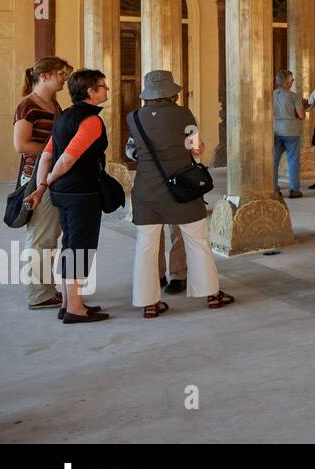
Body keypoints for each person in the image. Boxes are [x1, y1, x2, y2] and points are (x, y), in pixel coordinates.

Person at [126, 70, 233, 317]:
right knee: (197, 242)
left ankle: (149, 303)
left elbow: (131, 152)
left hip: (145, 191)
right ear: (171, 93)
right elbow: (194, 149)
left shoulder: (134, 117)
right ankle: (212, 294)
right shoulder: (183, 113)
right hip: (180, 188)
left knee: (146, 247)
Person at [25, 69, 111, 323]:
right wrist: (50, 179)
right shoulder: (91, 120)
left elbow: (48, 155)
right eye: (103, 86)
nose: (107, 90)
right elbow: (67, 158)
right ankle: (75, 308)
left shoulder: (63, 117)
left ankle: (68, 303)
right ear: (90, 92)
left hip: (62, 193)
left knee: (71, 245)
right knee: (80, 248)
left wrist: (43, 186)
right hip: (81, 193)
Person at [12, 56, 71, 310]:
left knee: (50, 234)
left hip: (50, 175)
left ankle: (46, 289)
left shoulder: (53, 105)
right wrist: (55, 150)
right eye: (61, 74)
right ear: (44, 75)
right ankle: (38, 294)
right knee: (41, 235)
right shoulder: (28, 106)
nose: (64, 79)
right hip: (36, 177)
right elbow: (21, 145)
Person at [272, 69, 306, 198]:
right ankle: (294, 189)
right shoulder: (294, 96)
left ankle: (274, 189)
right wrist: (304, 108)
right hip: (291, 130)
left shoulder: (271, 95)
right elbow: (301, 115)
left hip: (275, 130)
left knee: (274, 162)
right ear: (287, 83)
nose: (292, 82)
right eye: (291, 80)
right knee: (293, 161)